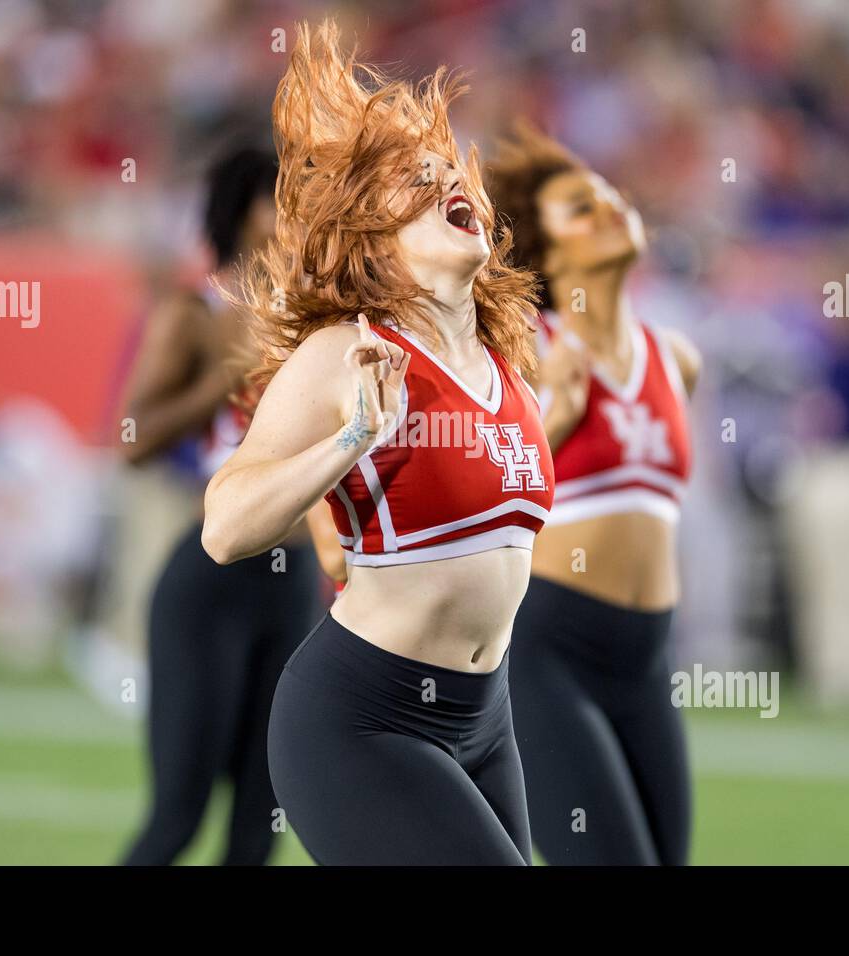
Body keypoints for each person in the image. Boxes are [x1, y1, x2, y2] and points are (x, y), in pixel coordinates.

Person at [202, 21, 552, 865]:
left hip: (486, 717)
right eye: (417, 181)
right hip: (362, 719)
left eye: (449, 171)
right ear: (373, 239)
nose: (450, 180)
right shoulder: (346, 354)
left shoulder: (508, 368)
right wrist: (351, 440)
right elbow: (224, 527)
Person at [487, 123, 701, 864]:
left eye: (613, 196)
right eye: (581, 207)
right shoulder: (522, 351)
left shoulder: (675, 357)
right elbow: (481, 499)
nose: (611, 208)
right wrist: (555, 417)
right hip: (550, 650)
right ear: (546, 253)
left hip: (647, 656)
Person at [119, 147, 334, 865]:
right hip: (212, 580)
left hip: (296, 586)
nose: (300, 217)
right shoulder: (197, 312)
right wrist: (221, 382)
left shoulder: (325, 317)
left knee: (260, 828)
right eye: (283, 200)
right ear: (243, 212)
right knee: (177, 818)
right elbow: (131, 439)